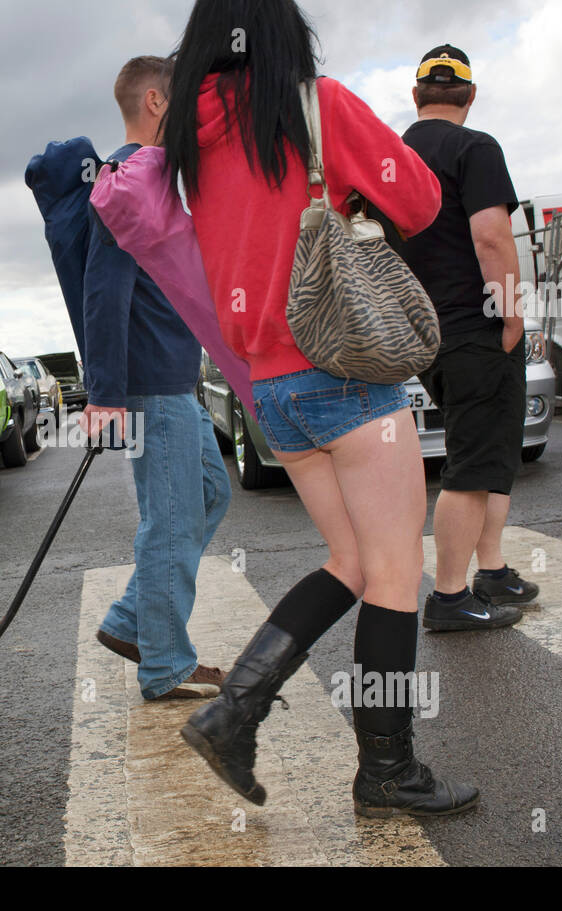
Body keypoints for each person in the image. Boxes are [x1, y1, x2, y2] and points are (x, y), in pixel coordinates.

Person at [164, 0, 478, 815]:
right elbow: (417, 200)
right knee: (397, 571)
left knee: (353, 562)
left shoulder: (189, 138)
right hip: (343, 368)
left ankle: (236, 711)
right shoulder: (314, 105)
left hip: (268, 385)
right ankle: (386, 770)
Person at [82, 55, 233, 701]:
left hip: (175, 382)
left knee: (208, 495)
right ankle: (166, 663)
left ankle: (130, 620)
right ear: (153, 101)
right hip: (149, 388)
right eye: (184, 104)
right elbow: (103, 293)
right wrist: (105, 398)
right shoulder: (126, 184)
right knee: (169, 522)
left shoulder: (149, 181)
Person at [390, 45, 539, 632]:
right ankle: (449, 597)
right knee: (474, 464)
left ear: (417, 96)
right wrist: (512, 315)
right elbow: (492, 240)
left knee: (493, 449)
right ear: (470, 96)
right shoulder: (476, 147)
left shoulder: (393, 158)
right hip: (474, 327)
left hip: (425, 331)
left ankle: (493, 569)